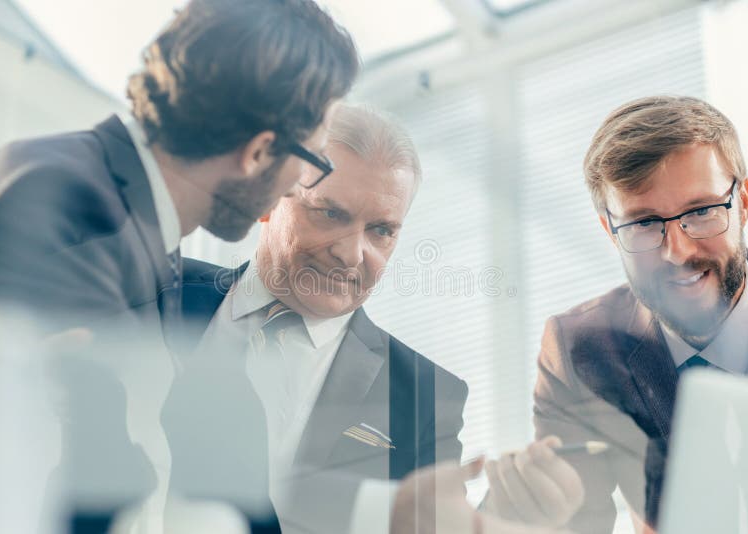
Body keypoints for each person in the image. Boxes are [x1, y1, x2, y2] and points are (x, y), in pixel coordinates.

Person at [0, 0, 358, 531]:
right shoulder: (65, 197)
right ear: (259, 151)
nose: (298, 187)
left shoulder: (139, 227)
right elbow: (75, 471)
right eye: (311, 160)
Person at [176, 104, 583, 533]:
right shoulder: (150, 290)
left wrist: (510, 515)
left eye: (382, 230)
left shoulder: (427, 396)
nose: (352, 253)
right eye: (330, 213)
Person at [531, 95, 748, 533]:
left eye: (700, 211)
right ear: (610, 230)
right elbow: (573, 524)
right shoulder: (580, 350)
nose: (678, 251)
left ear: (743, 202)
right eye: (643, 223)